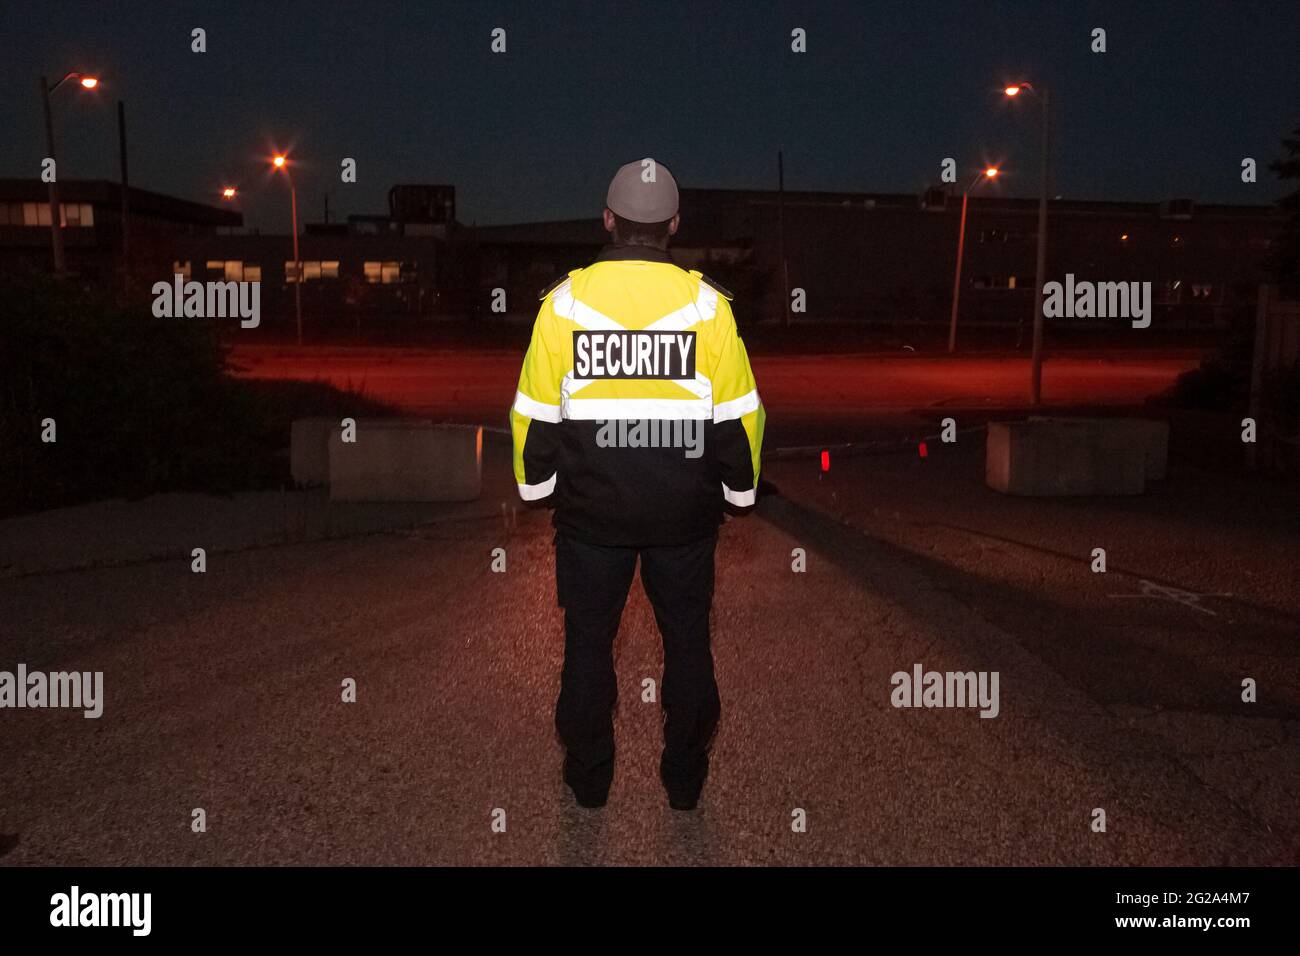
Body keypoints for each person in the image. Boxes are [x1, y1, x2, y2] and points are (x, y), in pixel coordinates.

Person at [510, 158, 765, 811]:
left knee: (588, 645)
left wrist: (536, 488)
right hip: (683, 517)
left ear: (607, 219)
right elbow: (738, 414)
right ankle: (684, 780)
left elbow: (535, 413)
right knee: (687, 641)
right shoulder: (707, 306)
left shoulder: (563, 303)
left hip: (592, 517)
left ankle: (590, 780)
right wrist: (739, 492)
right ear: (673, 225)